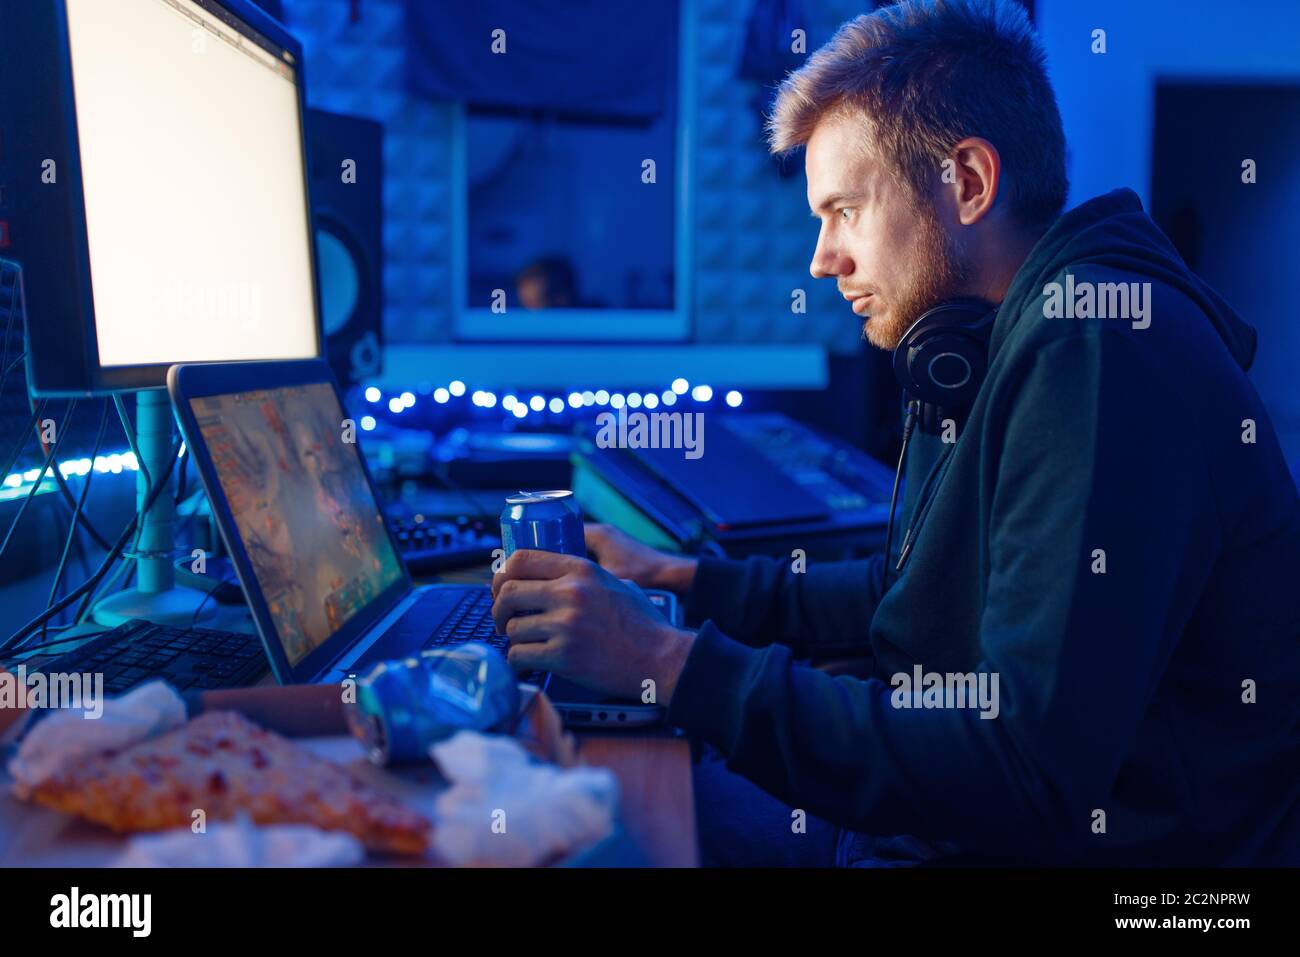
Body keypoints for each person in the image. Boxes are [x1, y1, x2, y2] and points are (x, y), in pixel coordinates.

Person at [491, 0, 1300, 866]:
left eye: (843, 209)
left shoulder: (1097, 346)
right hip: (967, 817)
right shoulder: (989, 337)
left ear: (969, 182)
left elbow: (1019, 765)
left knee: (608, 826)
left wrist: (661, 656)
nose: (822, 257)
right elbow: (914, 587)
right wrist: (682, 580)